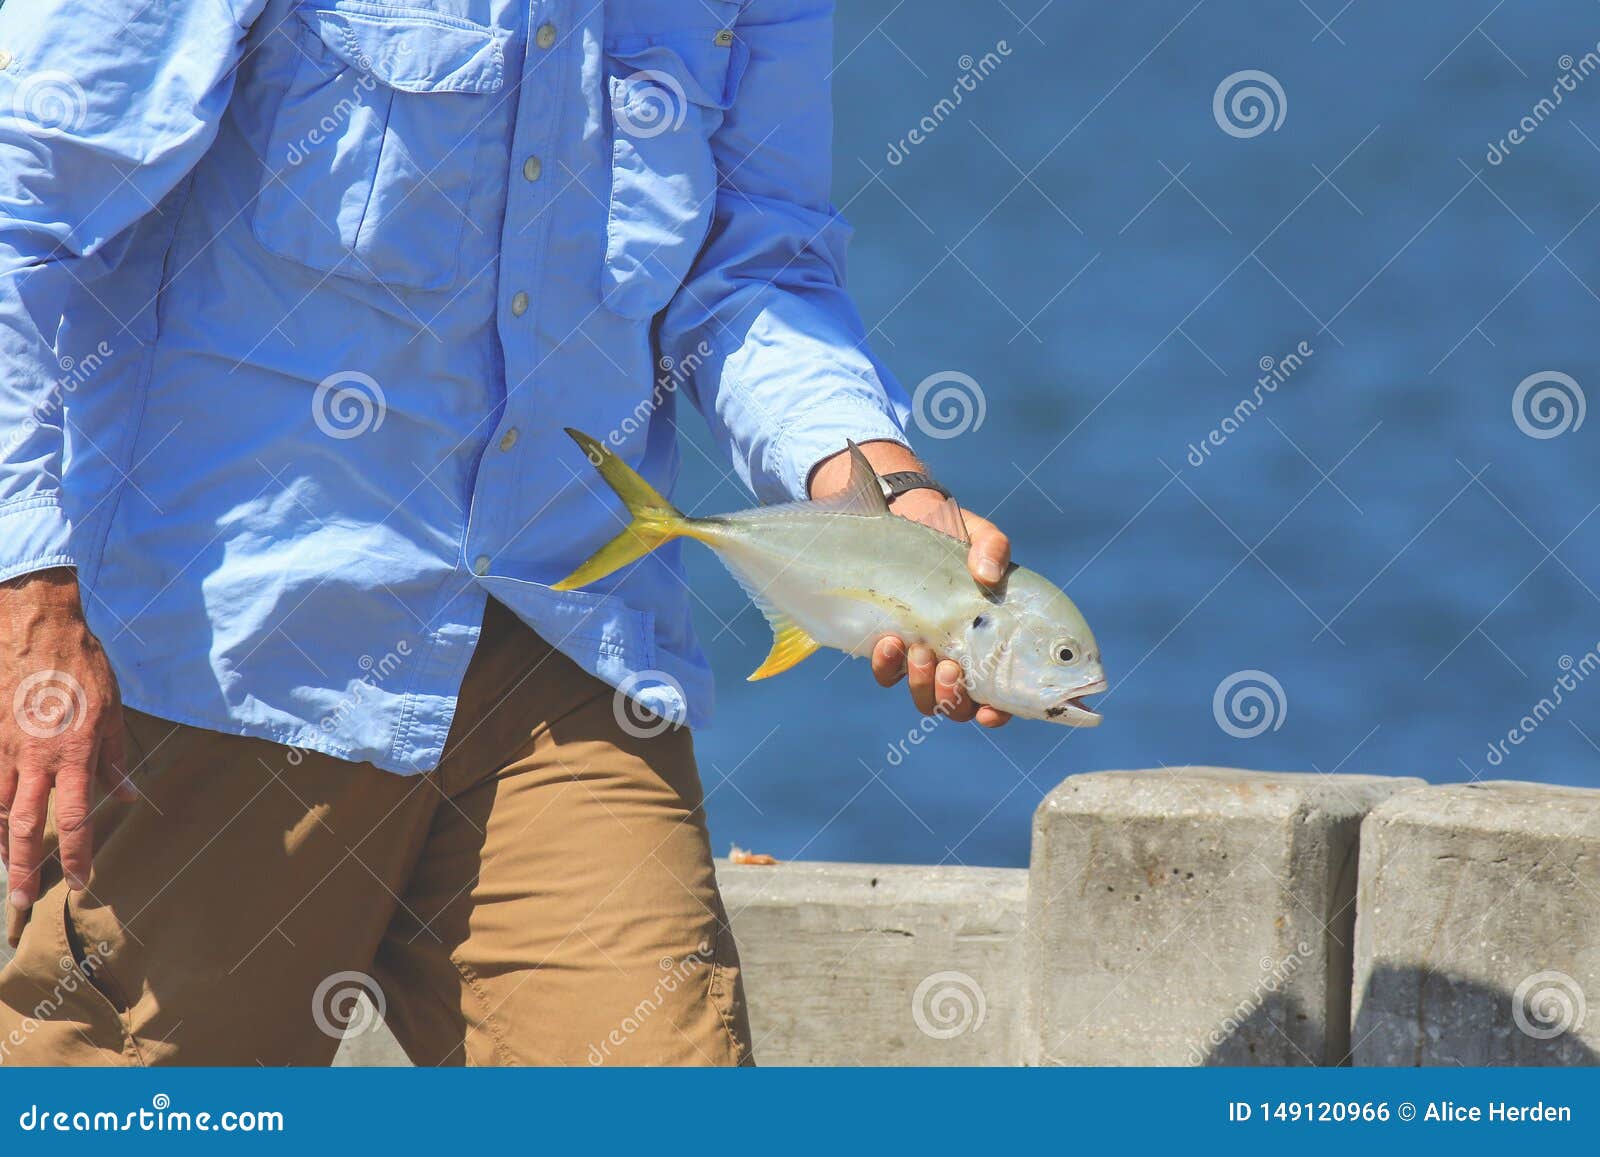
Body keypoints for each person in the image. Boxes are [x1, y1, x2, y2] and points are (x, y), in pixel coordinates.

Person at [0, 0, 1010, 1066]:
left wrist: (885, 492)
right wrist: (28, 588)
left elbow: (754, 269)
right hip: (217, 659)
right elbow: (22, 206)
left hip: (560, 648)